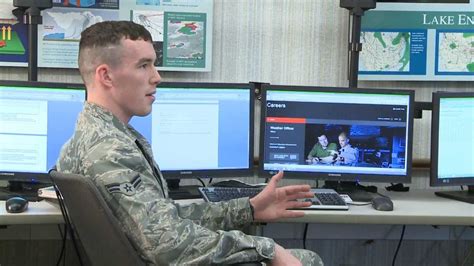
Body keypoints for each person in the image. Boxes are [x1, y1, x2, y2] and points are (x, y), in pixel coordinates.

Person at [56, 21, 323, 266]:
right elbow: (166, 244)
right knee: (306, 260)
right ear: (106, 76)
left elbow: (163, 220)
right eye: (143, 65)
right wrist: (266, 247)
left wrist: (248, 209)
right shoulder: (111, 150)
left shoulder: (84, 139)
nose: (156, 76)